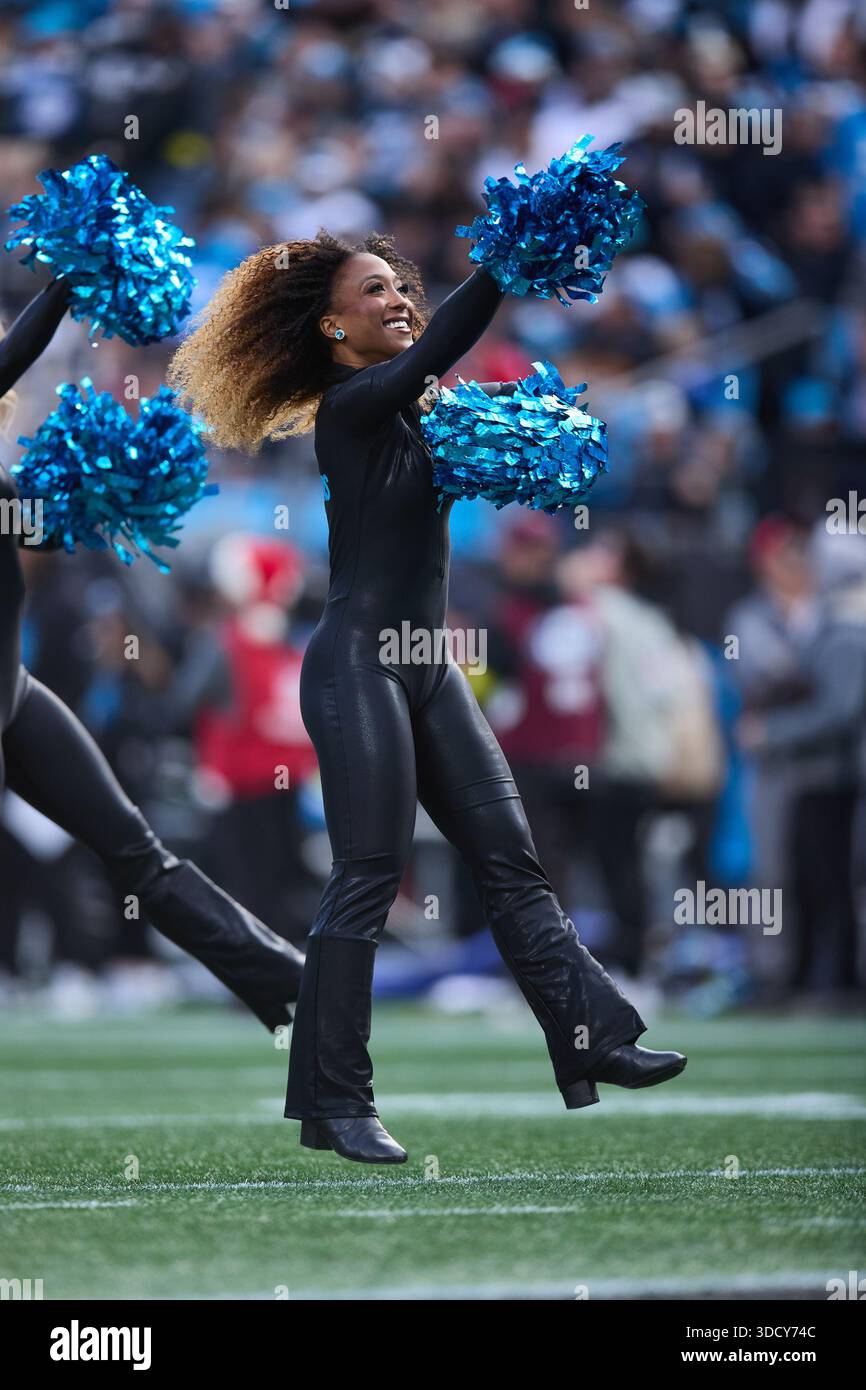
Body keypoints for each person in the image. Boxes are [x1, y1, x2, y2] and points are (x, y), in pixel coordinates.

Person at [169, 230, 687, 1165]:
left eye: (403, 286)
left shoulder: (422, 408)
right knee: (367, 873)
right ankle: (333, 1101)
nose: (400, 300)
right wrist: (513, 254)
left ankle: (593, 1037)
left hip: (428, 663)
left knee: (511, 855)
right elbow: (447, 341)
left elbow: (456, 389)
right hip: (357, 664)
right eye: (376, 292)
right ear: (332, 325)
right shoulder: (354, 408)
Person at [0, 277, 304, 1029]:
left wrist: (115, 482)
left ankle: (287, 981)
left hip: (15, 698)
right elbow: (14, 356)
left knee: (136, 851)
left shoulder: (6, 488)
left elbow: (49, 528)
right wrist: (69, 282)